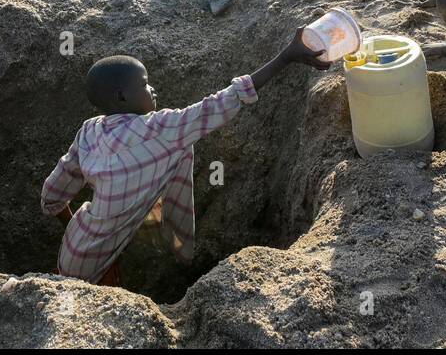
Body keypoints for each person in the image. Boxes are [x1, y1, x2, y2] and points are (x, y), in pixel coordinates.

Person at [40, 28, 329, 286]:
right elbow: (220, 103)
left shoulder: (89, 130)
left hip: (75, 242)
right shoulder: (159, 128)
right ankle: (174, 237)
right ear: (122, 97)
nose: (152, 88)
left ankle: (162, 235)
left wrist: (82, 230)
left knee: (180, 146)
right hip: (94, 266)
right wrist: (286, 56)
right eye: (144, 84)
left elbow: (54, 192)